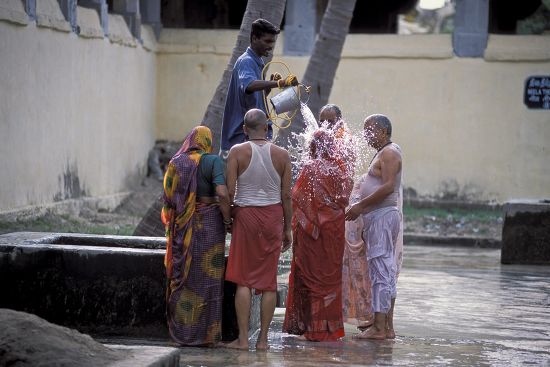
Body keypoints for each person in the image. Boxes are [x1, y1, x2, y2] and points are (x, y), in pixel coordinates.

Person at [224, 109, 292, 350]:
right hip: (273, 216)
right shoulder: (283, 155)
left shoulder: (237, 152)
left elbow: (229, 192)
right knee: (268, 281)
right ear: (266, 128)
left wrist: (227, 218)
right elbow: (286, 195)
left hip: (246, 215)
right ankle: (262, 340)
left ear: (244, 129)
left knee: (243, 280)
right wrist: (288, 228)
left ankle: (243, 340)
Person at [161, 126, 231, 346]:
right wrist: (228, 219)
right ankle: (207, 337)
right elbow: (221, 192)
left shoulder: (176, 162)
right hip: (210, 225)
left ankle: (182, 334)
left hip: (182, 227)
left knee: (186, 279)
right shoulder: (212, 161)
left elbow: (168, 197)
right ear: (207, 141)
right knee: (209, 279)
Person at [282, 128, 353, 341]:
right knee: (329, 278)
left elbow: (297, 196)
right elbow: (345, 197)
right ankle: (330, 329)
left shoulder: (311, 168)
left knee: (312, 277)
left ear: (313, 146)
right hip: (335, 231)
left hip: (313, 232)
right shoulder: (342, 168)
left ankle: (313, 329)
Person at [345, 114, 404, 340]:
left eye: (370, 130)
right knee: (385, 270)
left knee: (381, 271)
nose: (366, 134)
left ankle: (379, 327)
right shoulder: (385, 152)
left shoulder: (389, 152)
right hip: (378, 217)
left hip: (382, 216)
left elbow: (389, 186)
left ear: (383, 131)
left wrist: (360, 206)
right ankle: (387, 327)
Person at [220, 18, 298, 158]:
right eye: (267, 41)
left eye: (273, 42)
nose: (271, 46)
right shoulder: (247, 61)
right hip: (243, 140)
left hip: (253, 138)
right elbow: (249, 85)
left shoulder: (257, 61)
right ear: (254, 38)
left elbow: (251, 97)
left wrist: (269, 86)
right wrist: (279, 83)